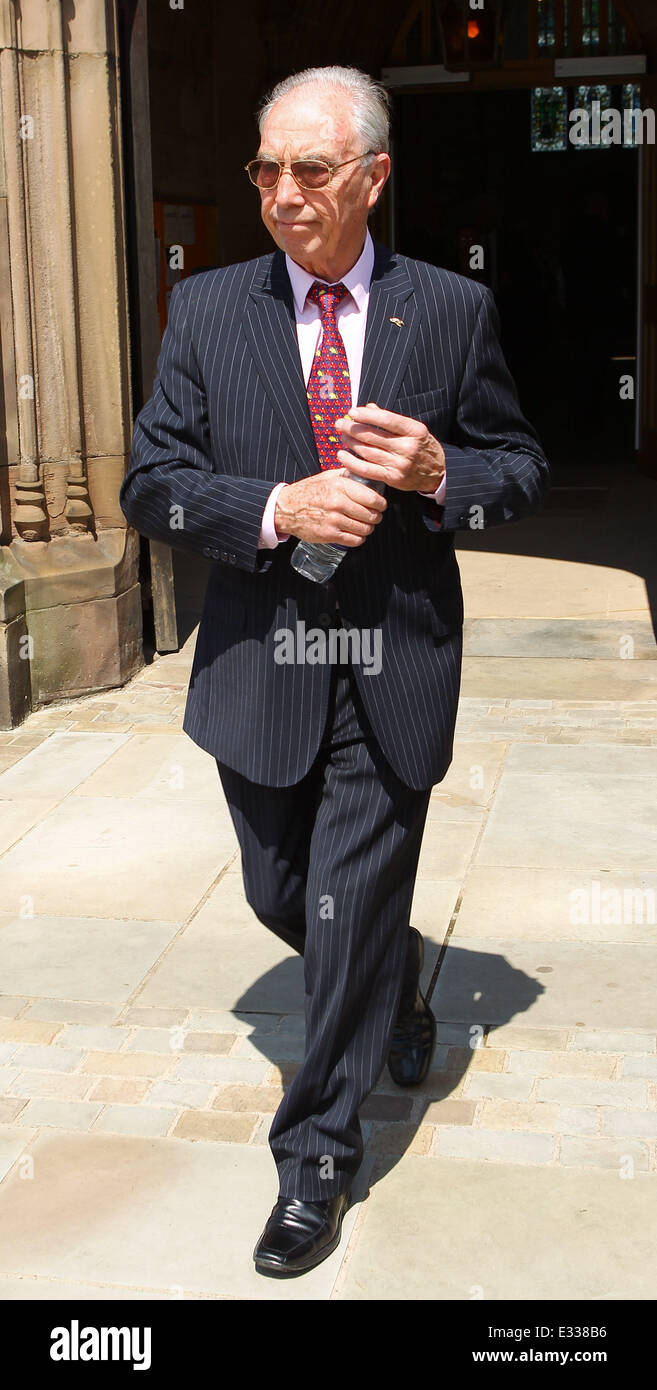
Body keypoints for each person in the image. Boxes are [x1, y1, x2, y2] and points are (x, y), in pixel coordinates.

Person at [120, 65, 550, 1278]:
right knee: (282, 894)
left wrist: (438, 475)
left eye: (313, 170)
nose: (285, 194)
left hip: (393, 656)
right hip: (265, 660)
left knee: (347, 900)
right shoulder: (206, 313)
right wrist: (267, 505)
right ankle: (398, 979)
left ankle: (316, 1152)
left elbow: (517, 463)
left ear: (374, 177)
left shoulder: (448, 310)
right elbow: (148, 483)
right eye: (267, 169)